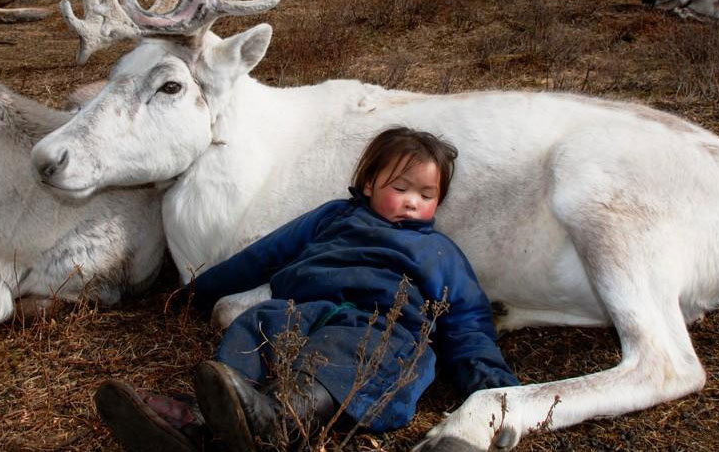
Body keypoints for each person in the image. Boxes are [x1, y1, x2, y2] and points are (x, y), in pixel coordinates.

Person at [96, 127, 518, 452]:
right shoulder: (332, 217)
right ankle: (211, 418)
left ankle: (278, 420)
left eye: (427, 195)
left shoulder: (439, 251)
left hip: (379, 328)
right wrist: (195, 293)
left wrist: (492, 385)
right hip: (301, 310)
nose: (412, 202)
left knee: (348, 353)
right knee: (255, 324)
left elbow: (467, 321)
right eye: (401, 188)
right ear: (369, 184)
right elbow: (264, 256)